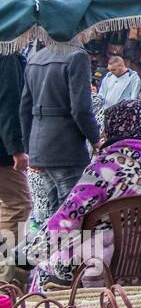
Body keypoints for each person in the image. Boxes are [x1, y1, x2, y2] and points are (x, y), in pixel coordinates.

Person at [26, 100, 141, 291]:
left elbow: (66, 218)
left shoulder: (107, 166)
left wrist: (23, 258)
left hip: (95, 267)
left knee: (40, 268)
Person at [20, 44, 100, 213]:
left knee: (54, 209)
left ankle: (52, 239)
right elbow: (81, 109)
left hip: (39, 145)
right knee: (71, 211)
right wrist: (96, 139)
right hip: (65, 147)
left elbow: (24, 109)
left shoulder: (36, 57)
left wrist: (29, 149)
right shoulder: (77, 56)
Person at [0, 53, 30, 284]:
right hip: (4, 151)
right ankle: (5, 274)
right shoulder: (6, 56)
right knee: (17, 205)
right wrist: (16, 148)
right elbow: (9, 104)